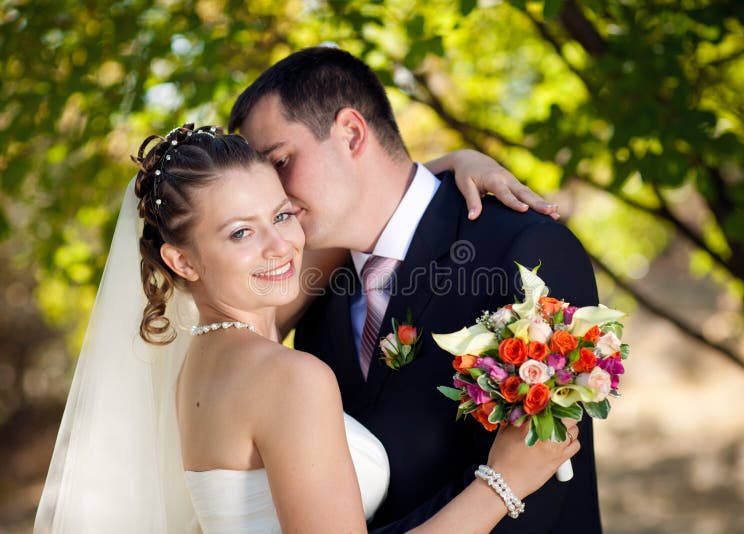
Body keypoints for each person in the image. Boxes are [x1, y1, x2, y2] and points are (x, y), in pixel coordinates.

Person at [33, 124, 579, 533]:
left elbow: (367, 215)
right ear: (183, 262)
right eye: (240, 233)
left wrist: (446, 164)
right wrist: (501, 483)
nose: (280, 246)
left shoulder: (201, 358)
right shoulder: (288, 377)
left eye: (283, 214)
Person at [228, 46, 603, 533]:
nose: (271, 195)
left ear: (351, 133)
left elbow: (538, 499)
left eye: (279, 162)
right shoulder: (313, 296)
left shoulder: (525, 252)